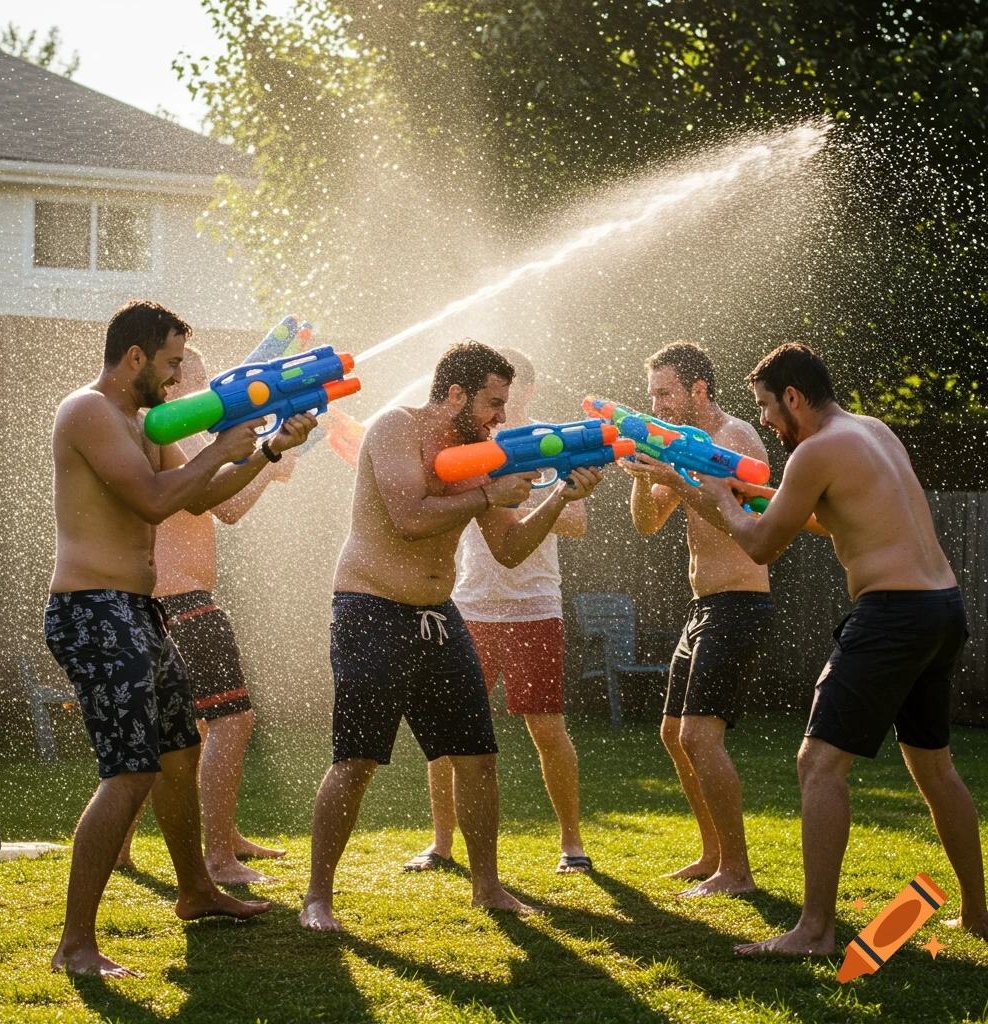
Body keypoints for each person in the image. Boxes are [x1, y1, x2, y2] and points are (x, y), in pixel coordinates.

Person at [665, 342, 988, 954]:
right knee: (936, 767)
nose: (763, 420)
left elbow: (760, 546)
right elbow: (829, 517)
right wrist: (746, 490)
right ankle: (978, 914)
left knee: (818, 765)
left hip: (891, 615)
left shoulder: (814, 451)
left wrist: (720, 496)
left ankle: (814, 931)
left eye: (766, 406)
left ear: (792, 397)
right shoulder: (871, 431)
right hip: (941, 607)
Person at [44, 300, 315, 977]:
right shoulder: (87, 412)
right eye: (168, 365)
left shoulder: (143, 422)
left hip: (136, 608)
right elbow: (155, 500)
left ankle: (195, 890)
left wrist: (269, 449)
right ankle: (75, 942)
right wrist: (222, 444)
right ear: (134, 357)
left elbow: (203, 498)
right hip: (92, 609)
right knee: (131, 769)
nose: (174, 381)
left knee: (178, 750)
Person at [300, 340, 604, 931]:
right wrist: (491, 492)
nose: (501, 416)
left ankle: (487, 887)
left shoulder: (480, 453)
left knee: (479, 759)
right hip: (371, 610)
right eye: (493, 402)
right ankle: (318, 896)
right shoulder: (396, 428)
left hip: (440, 615)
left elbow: (511, 548)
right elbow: (409, 516)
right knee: (357, 760)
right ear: (458, 394)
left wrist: (559, 495)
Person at [404, 347, 592, 877]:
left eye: (507, 396)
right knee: (446, 732)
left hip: (534, 605)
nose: (500, 409)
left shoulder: (552, 445)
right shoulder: (468, 444)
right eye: (494, 398)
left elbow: (575, 523)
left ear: (523, 394)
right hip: (470, 604)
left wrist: (519, 497)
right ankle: (441, 844)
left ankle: (571, 844)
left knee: (546, 728)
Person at [116, 346, 295, 885]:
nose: (212, 387)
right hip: (185, 602)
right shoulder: (174, 433)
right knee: (231, 721)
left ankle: (140, 847)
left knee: (166, 734)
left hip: (156, 602)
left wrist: (262, 457)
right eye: (196, 376)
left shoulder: (156, 432)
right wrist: (272, 459)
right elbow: (230, 508)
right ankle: (219, 857)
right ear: (173, 386)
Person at [622, 341, 773, 897]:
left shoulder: (734, 439)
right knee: (673, 733)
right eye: (652, 394)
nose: (656, 404)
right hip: (704, 605)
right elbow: (646, 524)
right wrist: (644, 475)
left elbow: (747, 522)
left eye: (665, 393)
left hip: (739, 600)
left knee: (700, 737)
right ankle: (713, 854)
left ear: (699, 390)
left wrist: (677, 474)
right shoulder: (677, 445)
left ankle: (738, 872)